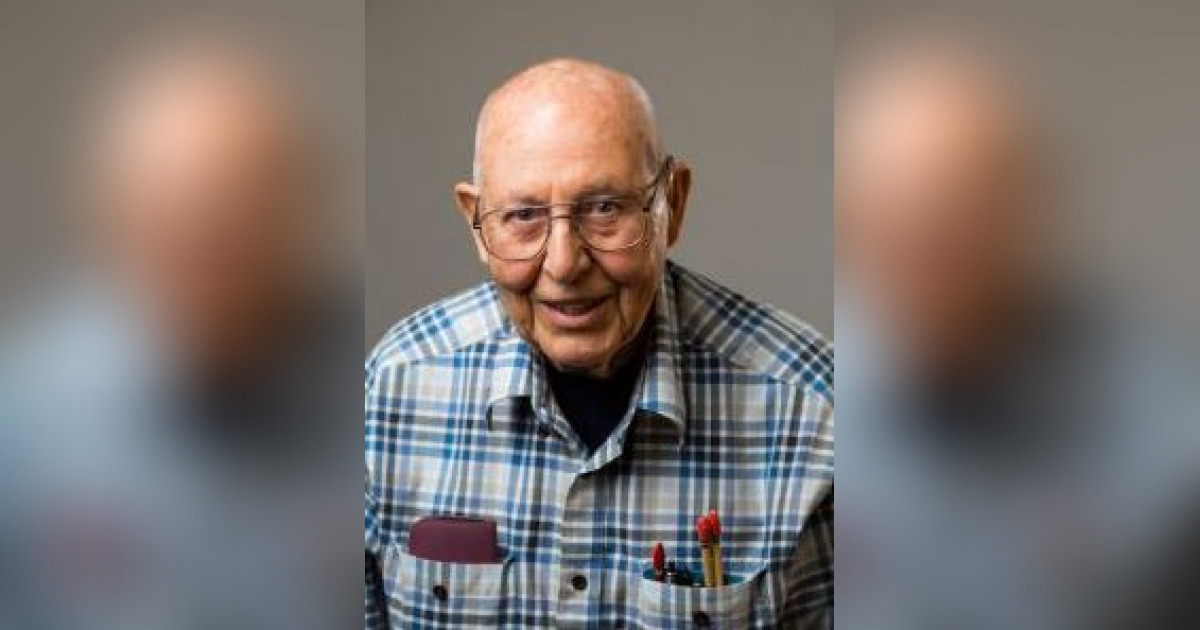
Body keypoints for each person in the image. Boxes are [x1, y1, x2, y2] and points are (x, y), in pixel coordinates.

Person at [365, 58, 833, 628]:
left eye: (605, 208)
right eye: (523, 215)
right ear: (477, 225)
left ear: (673, 205)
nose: (564, 264)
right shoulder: (389, 392)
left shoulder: (814, 415)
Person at [836, 32, 1200, 630]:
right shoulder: (813, 403)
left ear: (1026, 213)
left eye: (951, 220)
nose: (921, 253)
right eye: (888, 219)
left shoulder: (1170, 427)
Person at [0, 35, 358, 630]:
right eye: (167, 210)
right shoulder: (24, 414)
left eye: (230, 215)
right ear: (112, 217)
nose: (197, 244)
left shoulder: (371, 390)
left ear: (295, 218)